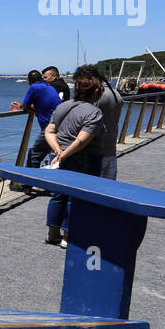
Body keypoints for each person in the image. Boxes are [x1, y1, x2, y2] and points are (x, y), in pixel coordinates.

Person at [42, 75, 106, 247]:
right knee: (76, 197)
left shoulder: (63, 106)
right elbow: (81, 140)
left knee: (58, 194)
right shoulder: (94, 112)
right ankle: (68, 236)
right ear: (96, 92)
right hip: (83, 158)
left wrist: (58, 151)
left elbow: (49, 131)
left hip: (57, 155)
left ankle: (52, 233)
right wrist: (64, 154)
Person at [9, 70, 62, 183]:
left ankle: (28, 184)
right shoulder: (49, 87)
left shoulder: (34, 88)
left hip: (50, 128)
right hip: (60, 124)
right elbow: (43, 106)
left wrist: (19, 106)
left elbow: (26, 106)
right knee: (39, 153)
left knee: (34, 155)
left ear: (29, 81)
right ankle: (32, 182)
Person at [73, 63, 123, 179]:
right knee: (105, 189)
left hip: (93, 153)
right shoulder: (115, 93)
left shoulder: (97, 96)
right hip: (109, 148)